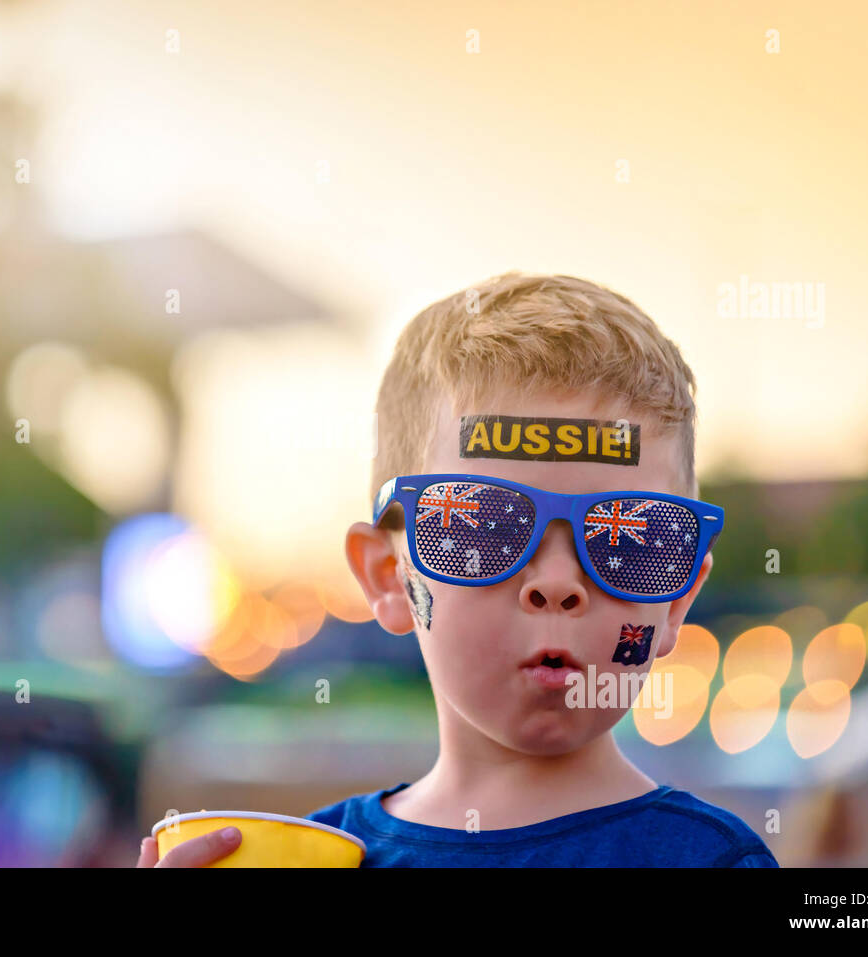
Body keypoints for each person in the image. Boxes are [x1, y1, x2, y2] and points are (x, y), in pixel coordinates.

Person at [139, 272, 778, 867]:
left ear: (675, 602)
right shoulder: (319, 859)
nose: (556, 584)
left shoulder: (710, 861)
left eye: (632, 539)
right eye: (482, 526)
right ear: (389, 576)